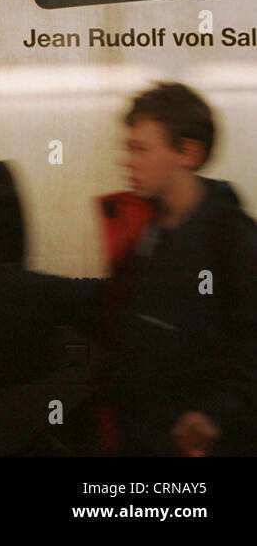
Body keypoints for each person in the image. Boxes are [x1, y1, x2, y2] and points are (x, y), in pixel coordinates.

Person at [82, 83, 257, 456]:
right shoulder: (144, 230)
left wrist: (215, 415)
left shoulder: (232, 242)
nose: (128, 160)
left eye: (141, 149)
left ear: (188, 153)